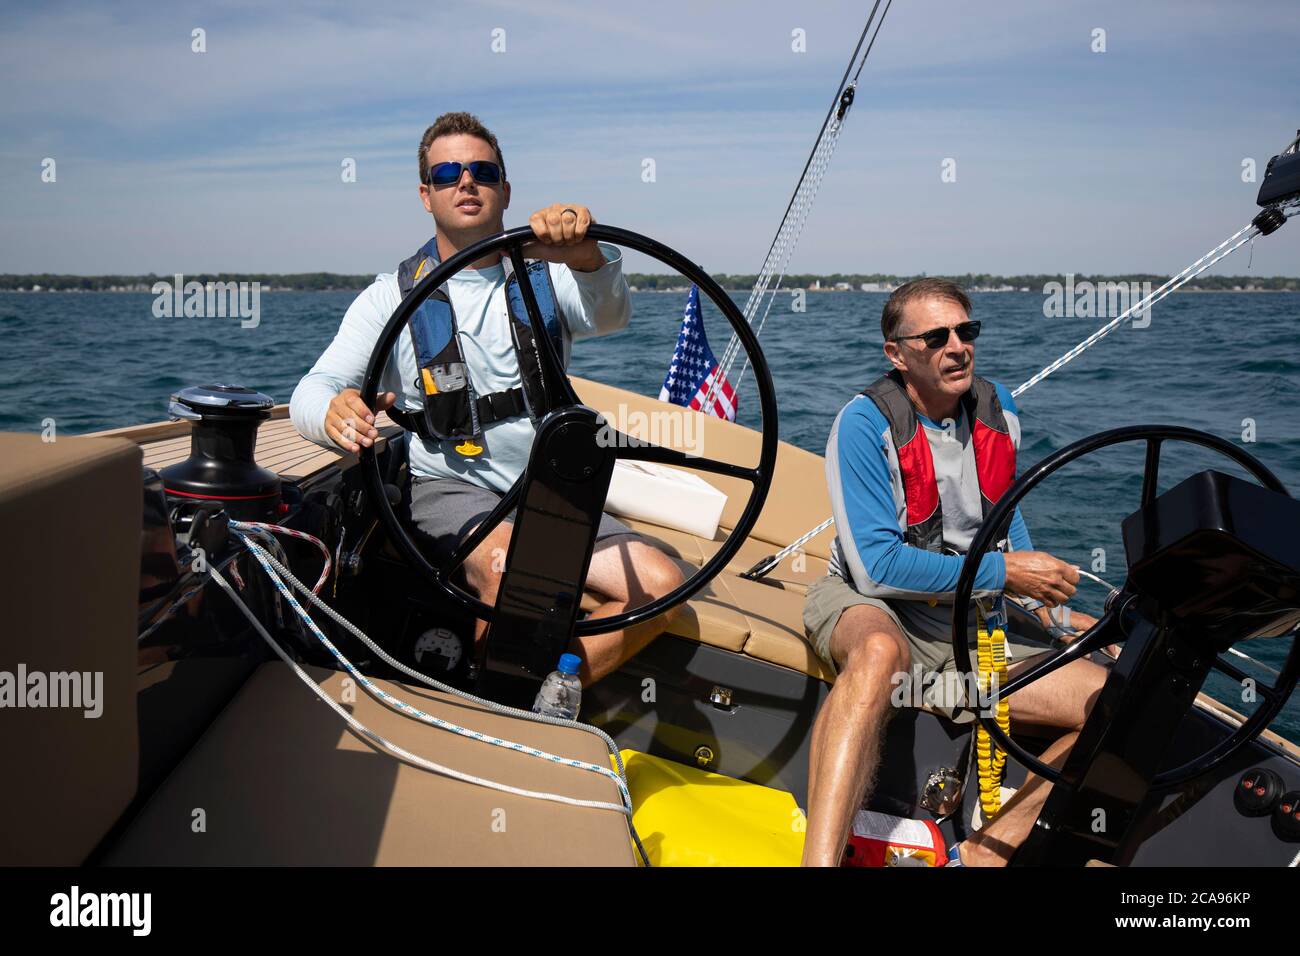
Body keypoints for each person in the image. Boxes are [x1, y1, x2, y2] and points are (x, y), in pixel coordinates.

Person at [290, 112, 683, 685]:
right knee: (507, 568)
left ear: (505, 189)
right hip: (450, 485)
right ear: (426, 195)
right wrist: (331, 412)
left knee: (663, 588)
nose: (465, 182)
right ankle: (495, 716)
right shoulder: (388, 299)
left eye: (482, 170)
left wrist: (587, 255)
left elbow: (610, 311)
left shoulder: (550, 276)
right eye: (447, 173)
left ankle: (546, 698)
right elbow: (311, 389)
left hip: (549, 488)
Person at [801, 277, 1108, 866]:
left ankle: (984, 855)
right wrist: (1005, 575)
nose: (957, 347)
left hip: (973, 629)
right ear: (897, 354)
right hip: (876, 607)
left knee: (1115, 703)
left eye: (966, 331)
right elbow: (875, 569)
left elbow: (1005, 523)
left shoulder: (1000, 410)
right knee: (876, 658)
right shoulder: (863, 425)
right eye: (936, 336)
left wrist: (1058, 612)